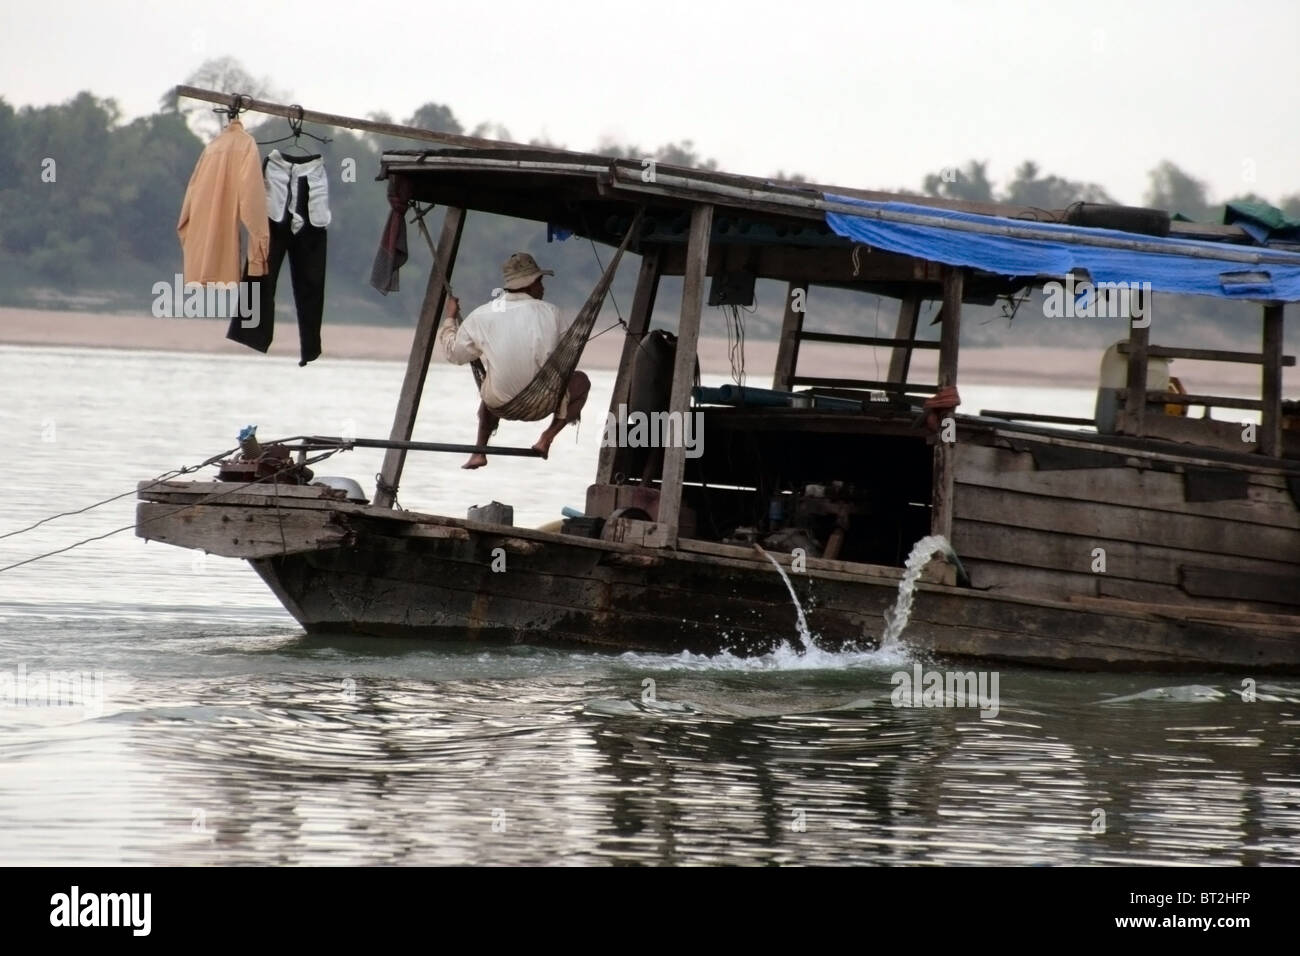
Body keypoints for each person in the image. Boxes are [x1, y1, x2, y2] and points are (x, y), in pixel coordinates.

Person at [441, 252, 590, 469]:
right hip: (543, 402)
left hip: (498, 402)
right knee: (582, 381)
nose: (543, 288)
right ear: (531, 284)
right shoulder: (551, 313)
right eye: (540, 282)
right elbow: (568, 358)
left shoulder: (482, 314)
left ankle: (479, 451)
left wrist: (450, 317)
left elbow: (454, 354)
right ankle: (546, 438)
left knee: (490, 381)